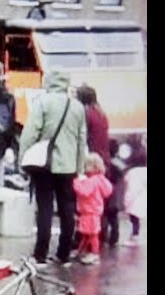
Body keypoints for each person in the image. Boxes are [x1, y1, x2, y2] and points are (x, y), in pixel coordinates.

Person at [17, 68, 87, 267]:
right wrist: (80, 168)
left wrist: (23, 159)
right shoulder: (77, 107)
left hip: (44, 165)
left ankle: (40, 254)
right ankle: (64, 253)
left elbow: (30, 133)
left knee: (45, 208)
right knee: (67, 209)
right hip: (68, 166)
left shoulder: (42, 102)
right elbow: (82, 139)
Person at [73, 153, 114, 265]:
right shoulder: (100, 179)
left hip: (89, 210)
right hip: (94, 211)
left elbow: (84, 192)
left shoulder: (91, 180)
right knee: (87, 234)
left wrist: (76, 182)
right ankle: (80, 251)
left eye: (86, 165)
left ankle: (94, 254)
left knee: (91, 234)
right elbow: (108, 190)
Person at [103, 142, 131, 247]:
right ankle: (114, 238)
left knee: (108, 217)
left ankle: (108, 238)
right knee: (114, 219)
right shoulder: (120, 164)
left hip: (109, 196)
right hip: (117, 197)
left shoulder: (108, 164)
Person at [123, 142, 147, 246]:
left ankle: (134, 237)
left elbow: (130, 186)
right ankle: (135, 236)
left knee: (134, 220)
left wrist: (127, 201)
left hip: (134, 200)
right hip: (143, 198)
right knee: (136, 219)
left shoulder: (132, 172)